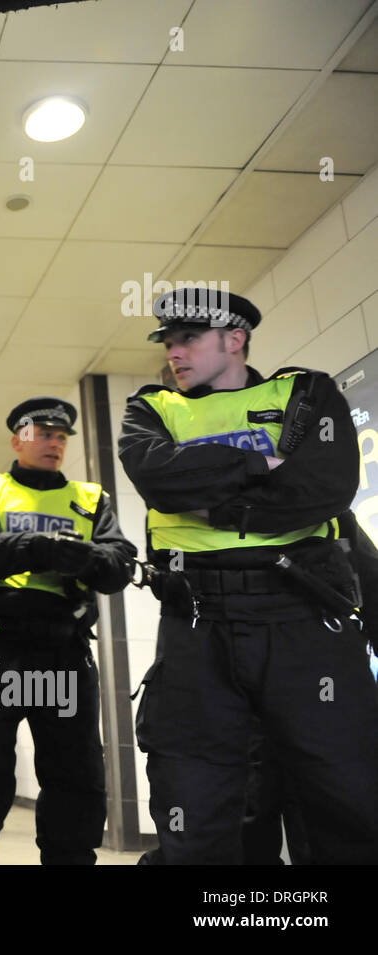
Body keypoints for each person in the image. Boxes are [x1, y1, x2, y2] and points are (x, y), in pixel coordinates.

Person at [120, 287, 378, 864]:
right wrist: (259, 465)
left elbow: (324, 489)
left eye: (188, 339)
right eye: (168, 342)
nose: (174, 354)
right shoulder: (152, 409)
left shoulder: (305, 395)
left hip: (302, 617)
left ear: (234, 339)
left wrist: (216, 504)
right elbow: (160, 479)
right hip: (196, 624)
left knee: (345, 790)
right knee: (197, 801)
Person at [0, 397, 135, 864]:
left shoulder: (90, 498)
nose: (55, 443)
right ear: (18, 438)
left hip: (63, 647)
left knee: (75, 773)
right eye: (44, 434)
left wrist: (82, 557)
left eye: (61, 437)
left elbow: (118, 563)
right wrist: (43, 547)